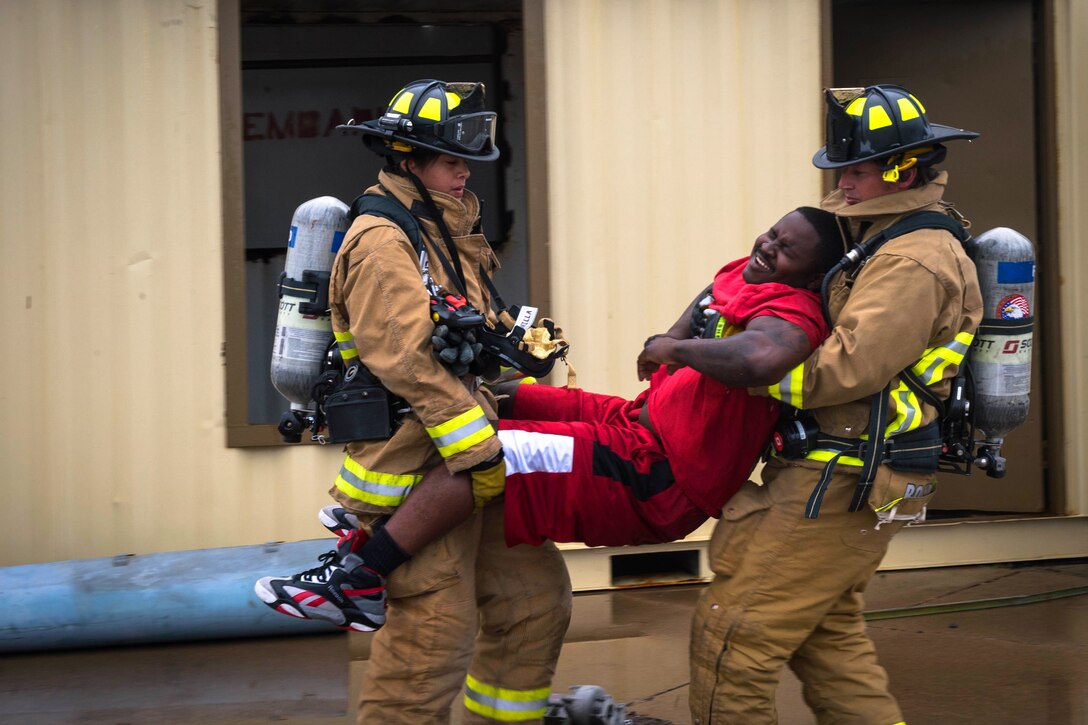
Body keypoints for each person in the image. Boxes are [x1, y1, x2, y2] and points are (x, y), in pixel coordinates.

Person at [283, 205, 842, 612]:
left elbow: (763, 356)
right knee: (495, 398)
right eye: (772, 233)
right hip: (637, 422)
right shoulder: (743, 270)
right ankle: (379, 506)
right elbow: (705, 304)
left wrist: (674, 349)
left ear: (812, 277)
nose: (768, 247)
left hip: (660, 477)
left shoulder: (794, 312)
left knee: (484, 454)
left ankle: (361, 576)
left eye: (786, 249)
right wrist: (665, 340)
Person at [255, 79, 572, 725]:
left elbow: (470, 331)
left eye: (464, 162)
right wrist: (476, 447)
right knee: (432, 639)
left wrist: (522, 360)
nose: (463, 173)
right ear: (407, 159)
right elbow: (405, 356)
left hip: (473, 466)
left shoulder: (446, 229)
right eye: (450, 161)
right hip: (418, 464)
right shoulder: (381, 239)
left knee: (533, 603)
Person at [687, 84, 984, 725]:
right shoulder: (887, 236)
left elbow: (841, 368)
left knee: (730, 642)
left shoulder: (914, 259)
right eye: (841, 169)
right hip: (865, 477)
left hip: (842, 479)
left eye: (856, 169)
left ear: (902, 169)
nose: (843, 182)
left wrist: (740, 362)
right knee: (831, 646)